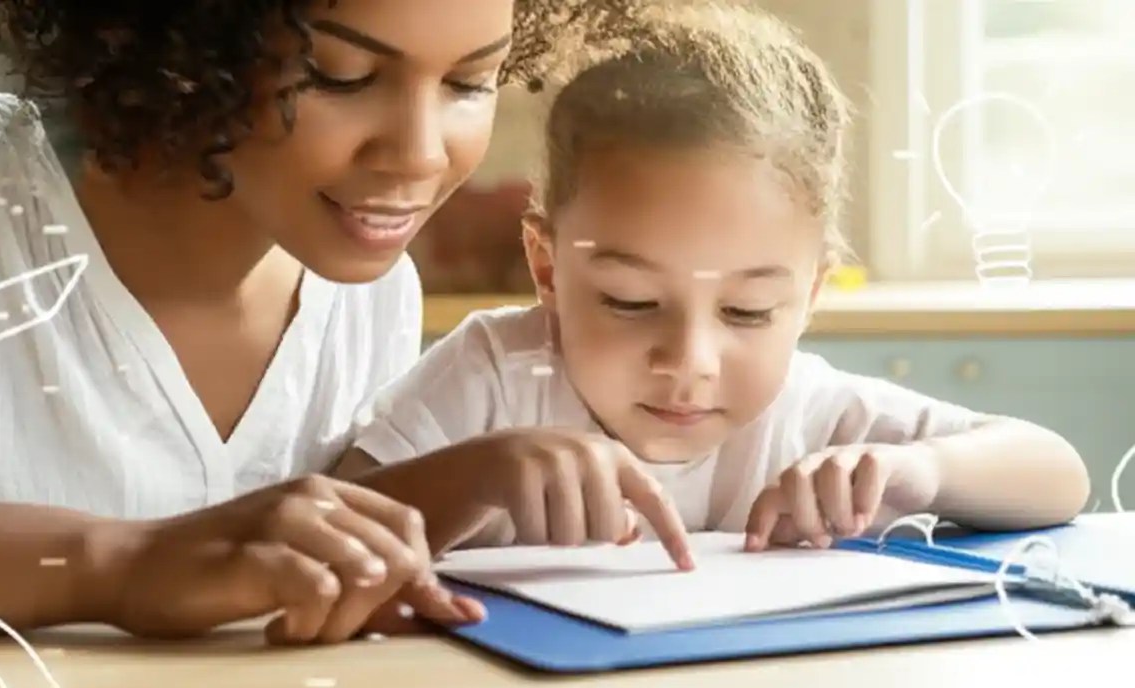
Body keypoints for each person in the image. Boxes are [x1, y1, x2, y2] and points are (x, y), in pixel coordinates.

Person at [0, 0, 690, 645]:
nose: (422, 153)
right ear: (173, 37)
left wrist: (452, 487)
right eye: (341, 75)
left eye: (470, 83)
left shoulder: (368, 297)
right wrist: (117, 563)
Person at [337, 3, 1092, 559]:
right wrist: (468, 481)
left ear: (811, 296)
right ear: (547, 267)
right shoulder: (495, 378)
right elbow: (325, 523)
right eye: (630, 301)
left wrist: (922, 472)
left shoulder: (815, 414)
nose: (689, 358)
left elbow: (1057, 474)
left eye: (748, 309)